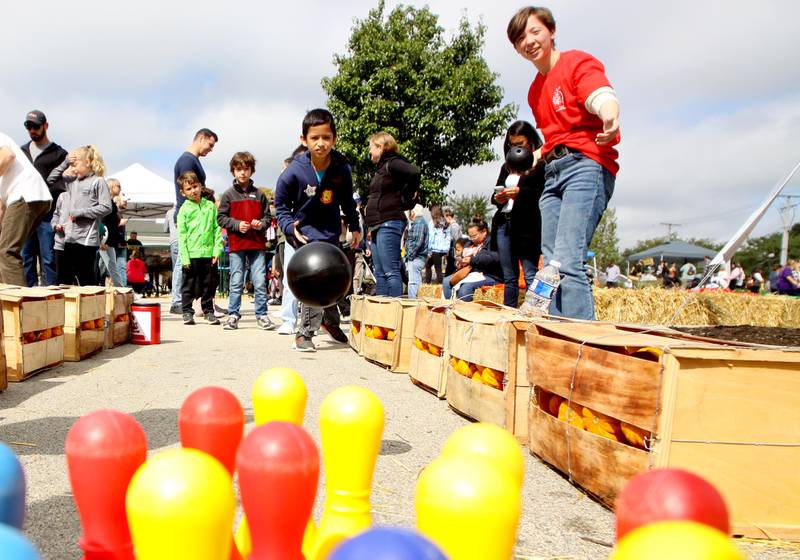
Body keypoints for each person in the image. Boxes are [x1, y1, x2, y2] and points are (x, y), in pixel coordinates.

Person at [508, 6, 620, 320]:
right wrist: (535, 158)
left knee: (569, 262)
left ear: (551, 31)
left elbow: (599, 94)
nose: (529, 42)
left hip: (586, 165)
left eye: (535, 31)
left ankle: (583, 341)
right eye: (520, 38)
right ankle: (558, 332)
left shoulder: (576, 63)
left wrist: (609, 113)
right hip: (553, 173)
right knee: (551, 266)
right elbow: (556, 137)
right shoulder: (535, 91)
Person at [274, 109, 361, 352]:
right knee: (314, 280)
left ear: (334, 138)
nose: (320, 143)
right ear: (304, 140)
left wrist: (355, 226)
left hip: (330, 233)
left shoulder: (342, 167)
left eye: (326, 137)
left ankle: (330, 323)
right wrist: (289, 227)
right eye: (314, 138)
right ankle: (304, 333)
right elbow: (281, 206)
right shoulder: (294, 171)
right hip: (304, 235)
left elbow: (348, 201)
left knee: (334, 280)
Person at [216, 151, 274, 331]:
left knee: (260, 281)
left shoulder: (260, 194)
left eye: (246, 169)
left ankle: (262, 315)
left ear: (252, 171)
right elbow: (221, 218)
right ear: (233, 171)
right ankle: (233, 315)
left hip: (257, 245)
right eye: (238, 169)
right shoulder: (228, 195)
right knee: (236, 282)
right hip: (237, 245)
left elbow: (267, 218)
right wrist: (236, 224)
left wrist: (261, 224)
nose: (242, 172)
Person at [492, 120, 545, 307]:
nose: (515, 148)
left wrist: (520, 192)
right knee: (509, 277)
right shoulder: (506, 166)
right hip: (504, 224)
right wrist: (498, 198)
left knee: (530, 273)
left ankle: (534, 312)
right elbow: (495, 194)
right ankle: (509, 312)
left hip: (527, 226)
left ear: (530, 141)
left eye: (519, 144)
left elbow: (541, 193)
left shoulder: (540, 164)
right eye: (511, 144)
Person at [364, 131, 421, 297]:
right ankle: (382, 309)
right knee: (380, 272)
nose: (369, 151)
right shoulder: (382, 168)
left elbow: (414, 172)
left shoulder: (393, 163)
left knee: (390, 271)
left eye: (371, 147)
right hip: (377, 224)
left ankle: (394, 308)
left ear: (381, 147)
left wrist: (408, 198)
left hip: (389, 221)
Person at [49, 146, 111, 286]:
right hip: (69, 239)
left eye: (75, 164)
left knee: (86, 282)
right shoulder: (72, 182)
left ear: (87, 162)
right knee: (64, 281)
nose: (73, 168)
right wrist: (65, 162)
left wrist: (80, 212)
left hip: (86, 240)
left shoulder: (98, 181)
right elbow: (51, 178)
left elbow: (107, 207)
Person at [172, 128, 218, 314]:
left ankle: (201, 301)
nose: (211, 149)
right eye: (210, 144)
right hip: (190, 218)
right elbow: (188, 188)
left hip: (198, 216)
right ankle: (179, 301)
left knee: (193, 263)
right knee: (184, 261)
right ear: (201, 138)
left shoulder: (192, 160)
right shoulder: (187, 161)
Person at [20, 110, 68, 286]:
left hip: (47, 213)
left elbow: (64, 184)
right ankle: (29, 294)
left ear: (45, 126)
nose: (32, 130)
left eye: (36, 126)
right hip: (25, 211)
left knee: (48, 258)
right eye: (28, 126)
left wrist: (43, 189)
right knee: (26, 257)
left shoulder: (59, 153)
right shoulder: (22, 151)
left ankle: (51, 295)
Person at [0, 132, 53, 286]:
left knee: (7, 251)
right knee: (4, 251)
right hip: (30, 196)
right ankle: (6, 297)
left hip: (25, 194)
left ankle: (17, 299)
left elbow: (8, 155)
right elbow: (1, 207)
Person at [177, 171, 223, 325]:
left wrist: (217, 250)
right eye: (188, 189)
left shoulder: (210, 206)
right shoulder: (184, 210)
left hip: (208, 254)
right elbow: (182, 235)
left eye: (195, 187)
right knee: (188, 285)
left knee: (208, 285)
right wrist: (185, 257)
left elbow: (217, 229)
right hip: (191, 255)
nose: (193, 191)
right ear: (183, 193)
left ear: (200, 186)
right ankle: (187, 311)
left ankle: (208, 311)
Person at [442, 218, 501, 301]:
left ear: (484, 231)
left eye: (474, 236)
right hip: (471, 273)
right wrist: (460, 262)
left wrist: (471, 260)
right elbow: (462, 256)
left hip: (489, 275)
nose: (472, 239)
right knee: (446, 281)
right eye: (470, 236)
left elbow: (493, 258)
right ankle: (451, 305)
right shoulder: (469, 243)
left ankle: (463, 308)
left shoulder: (492, 242)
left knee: (465, 288)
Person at [98, 178, 126, 287]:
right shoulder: (107, 203)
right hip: (106, 240)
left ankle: (98, 285)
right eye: (118, 186)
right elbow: (102, 221)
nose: (120, 189)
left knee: (104, 266)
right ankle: (120, 290)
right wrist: (102, 240)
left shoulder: (110, 202)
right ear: (111, 187)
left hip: (107, 239)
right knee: (111, 265)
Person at [404, 204, 429, 299]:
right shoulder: (421, 222)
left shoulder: (419, 223)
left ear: (413, 212)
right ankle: (417, 302)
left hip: (416, 257)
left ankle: (413, 303)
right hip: (418, 257)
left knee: (413, 283)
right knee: (416, 281)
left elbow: (417, 242)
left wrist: (410, 256)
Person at [424, 206, 450, 285]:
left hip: (435, 249)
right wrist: (447, 249)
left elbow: (431, 237)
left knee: (437, 268)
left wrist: (429, 250)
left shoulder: (432, 223)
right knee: (430, 266)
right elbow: (448, 237)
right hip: (443, 249)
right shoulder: (445, 222)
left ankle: (436, 285)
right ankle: (431, 284)